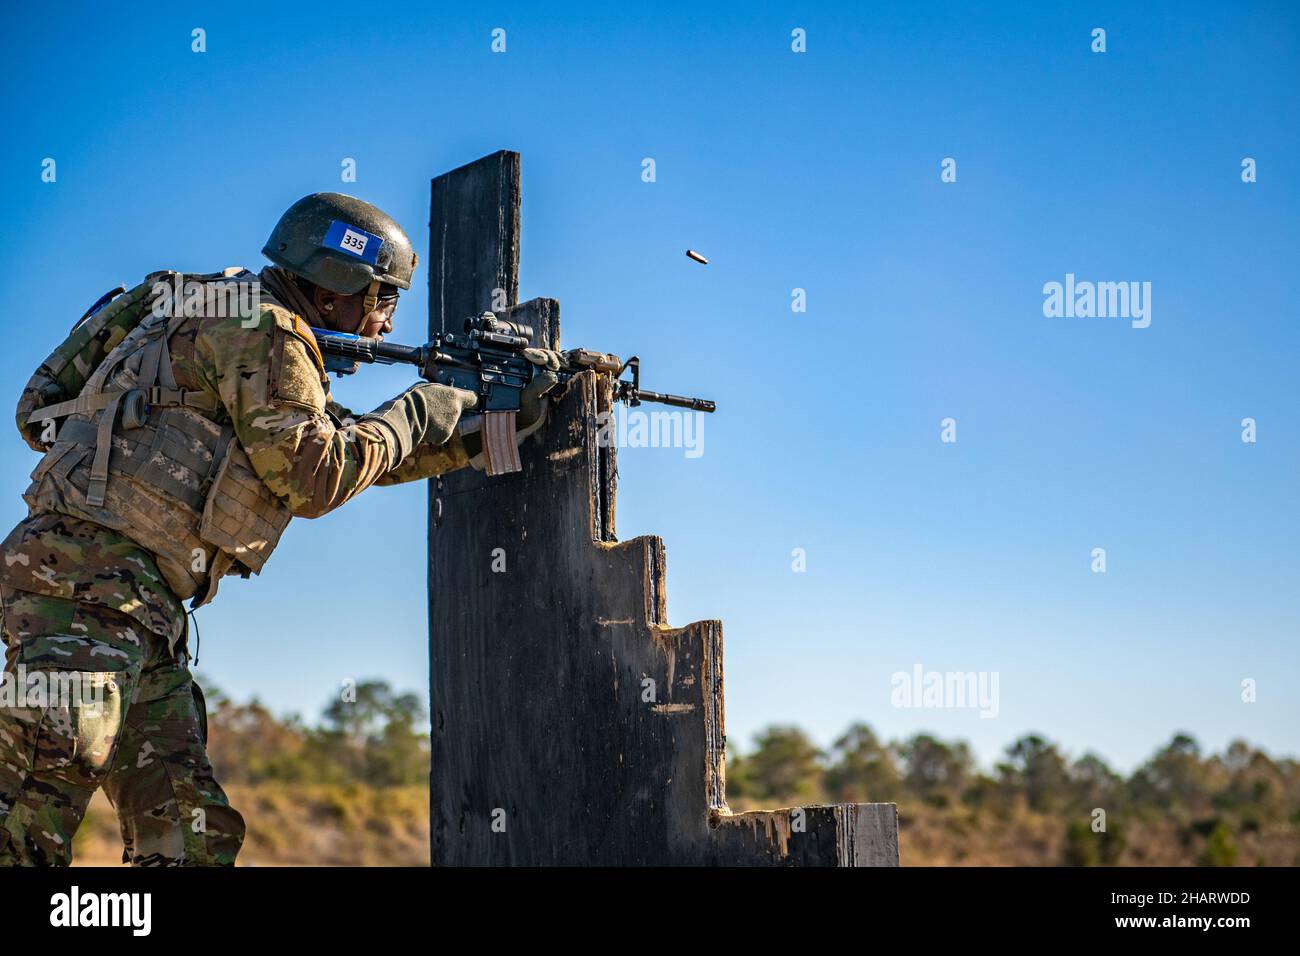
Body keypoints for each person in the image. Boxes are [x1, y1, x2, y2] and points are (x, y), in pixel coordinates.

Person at [0, 192, 559, 865]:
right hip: (88, 596)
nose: (384, 325)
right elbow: (316, 476)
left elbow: (38, 414)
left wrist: (476, 428)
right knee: (29, 804)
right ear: (335, 289)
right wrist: (420, 410)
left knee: (189, 832)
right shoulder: (269, 332)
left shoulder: (183, 299)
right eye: (383, 299)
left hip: (126, 604)